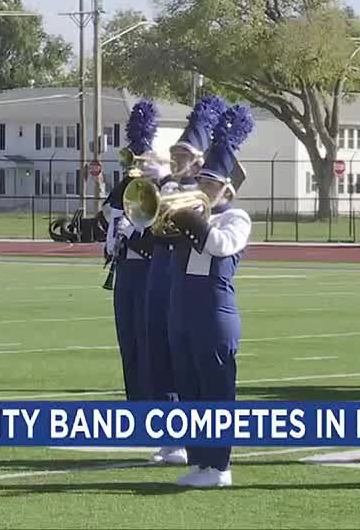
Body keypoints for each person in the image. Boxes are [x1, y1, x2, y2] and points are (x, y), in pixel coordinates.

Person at [165, 103, 254, 489]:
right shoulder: (188, 212)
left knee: (216, 389)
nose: (203, 189)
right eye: (201, 181)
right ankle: (200, 460)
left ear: (228, 189)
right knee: (189, 387)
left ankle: (220, 466)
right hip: (182, 308)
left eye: (212, 184)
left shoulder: (236, 217)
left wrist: (192, 218)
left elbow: (219, 245)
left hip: (215, 312)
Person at [146, 95, 227, 466]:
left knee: (190, 363)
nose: (176, 160)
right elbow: (149, 228)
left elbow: (209, 238)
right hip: (162, 271)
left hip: (188, 281)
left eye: (184, 155)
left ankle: (188, 444)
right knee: (160, 352)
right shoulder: (169, 187)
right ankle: (168, 434)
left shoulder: (201, 198)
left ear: (199, 159)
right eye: (175, 153)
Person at [106, 99, 167, 402]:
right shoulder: (124, 192)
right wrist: (113, 240)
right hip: (125, 272)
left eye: (139, 163)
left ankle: (151, 400)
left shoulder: (158, 189)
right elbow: (112, 215)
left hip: (148, 271)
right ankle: (134, 401)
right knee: (127, 339)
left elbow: (154, 233)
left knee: (147, 340)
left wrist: (131, 234)